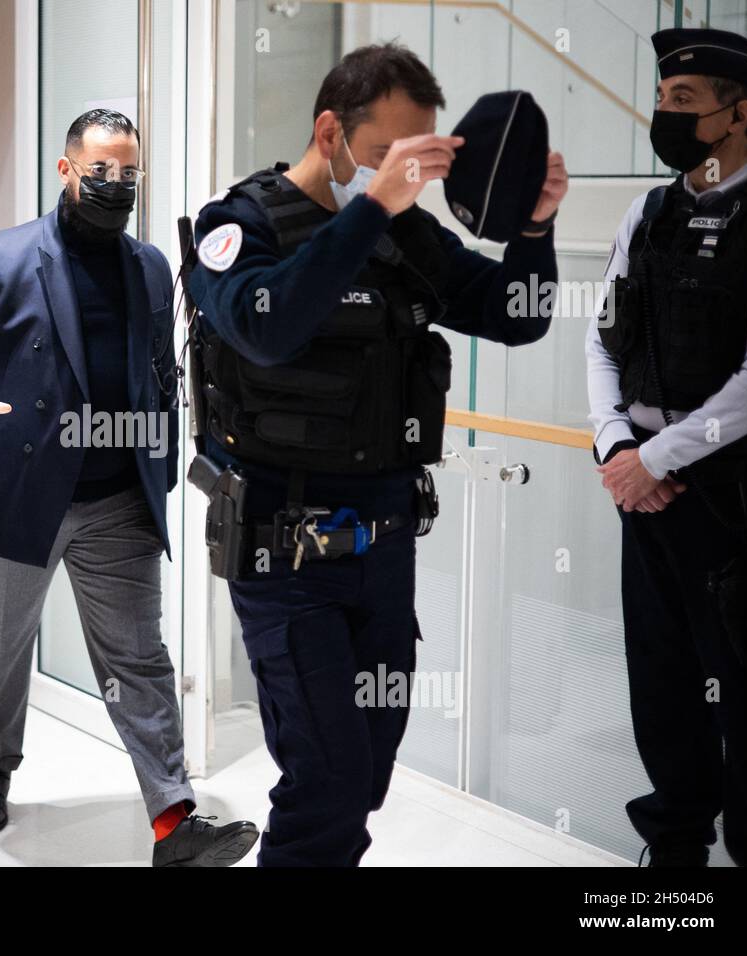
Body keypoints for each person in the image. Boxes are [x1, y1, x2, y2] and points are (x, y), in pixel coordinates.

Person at [186, 43, 567, 866]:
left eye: (423, 161)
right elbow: (265, 327)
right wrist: (371, 213)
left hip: (385, 555)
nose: (412, 180)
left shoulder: (407, 237)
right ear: (333, 132)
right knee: (326, 777)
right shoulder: (237, 226)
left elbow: (520, 312)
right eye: (399, 158)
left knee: (364, 775)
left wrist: (535, 227)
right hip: (286, 556)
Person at [0, 109, 259, 867]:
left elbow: (159, 375)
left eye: (128, 173)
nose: (115, 185)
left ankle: (174, 822)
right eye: (100, 171)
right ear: (66, 170)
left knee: (139, 660)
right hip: (19, 498)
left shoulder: (149, 266)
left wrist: (165, 464)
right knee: (1, 653)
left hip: (116, 501)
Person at [587, 26, 747, 868]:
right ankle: (675, 856)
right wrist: (616, 445)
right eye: (662, 99)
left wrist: (655, 460)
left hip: (736, 496)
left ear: (741, 113)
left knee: (746, 688)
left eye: (685, 102)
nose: (665, 115)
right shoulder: (649, 211)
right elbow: (602, 345)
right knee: (660, 680)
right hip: (642, 486)